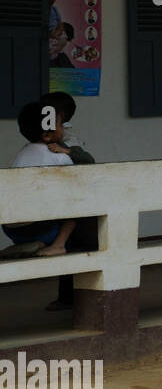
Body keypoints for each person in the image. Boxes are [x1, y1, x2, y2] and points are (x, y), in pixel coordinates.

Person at [2, 101, 98, 312]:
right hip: (41, 228)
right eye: (61, 125)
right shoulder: (59, 156)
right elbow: (86, 173)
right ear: (47, 135)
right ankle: (58, 244)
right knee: (79, 206)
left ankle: (35, 245)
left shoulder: (23, 153)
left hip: (12, 228)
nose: (64, 129)